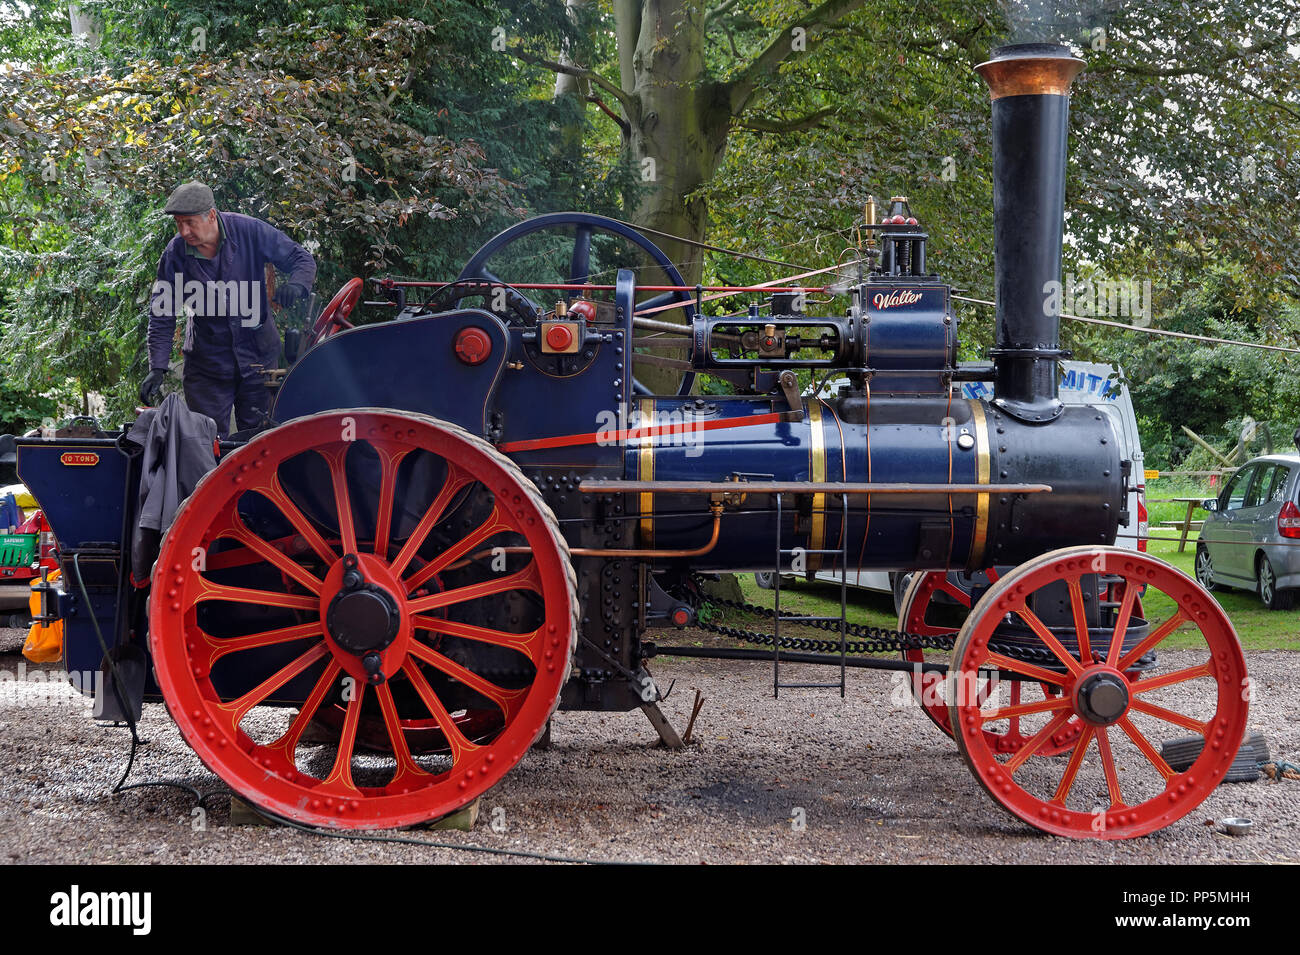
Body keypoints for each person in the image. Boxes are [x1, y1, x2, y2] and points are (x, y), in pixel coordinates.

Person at [141, 181, 316, 437]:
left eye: (190, 222)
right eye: (178, 223)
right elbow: (162, 313)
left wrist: (297, 285)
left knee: (259, 441)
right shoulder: (175, 254)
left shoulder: (249, 231)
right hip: (207, 366)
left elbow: (301, 258)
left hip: (259, 361)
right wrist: (157, 366)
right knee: (204, 443)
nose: (184, 231)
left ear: (211, 215)